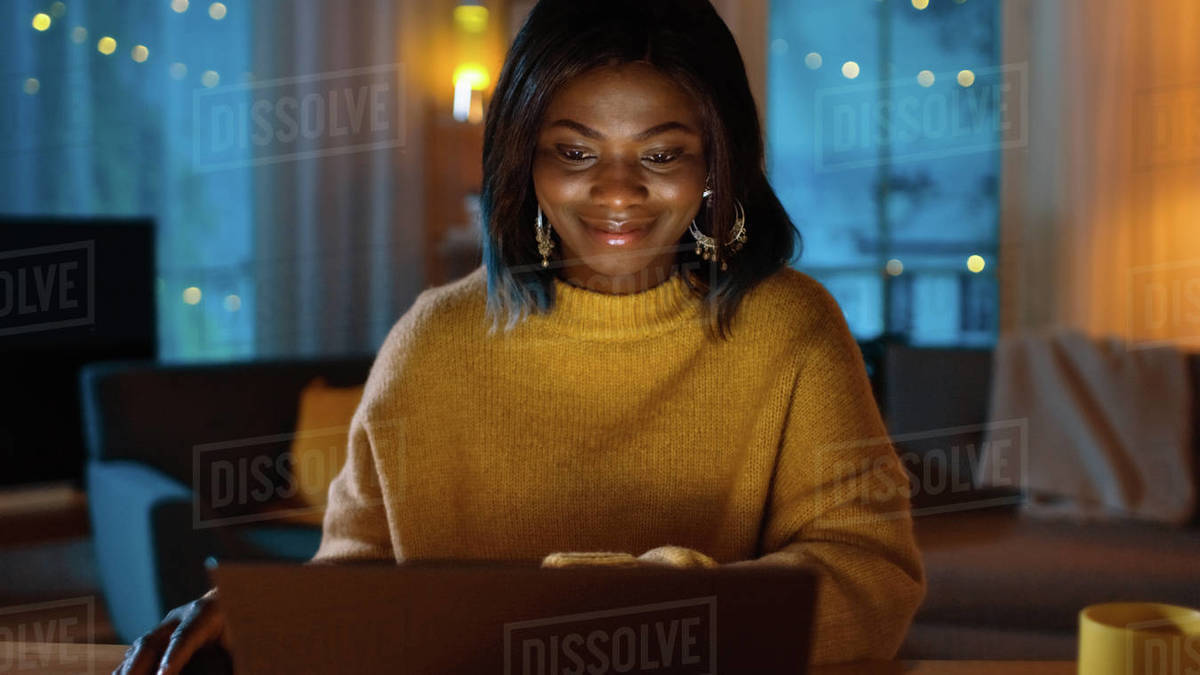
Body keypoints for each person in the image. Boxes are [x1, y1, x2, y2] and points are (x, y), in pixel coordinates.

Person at [114, 0, 925, 672]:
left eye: (662, 153)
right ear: (524, 161)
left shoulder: (793, 327)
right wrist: (263, 622)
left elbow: (873, 575)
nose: (617, 191)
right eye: (573, 151)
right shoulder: (433, 340)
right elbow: (355, 581)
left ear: (717, 162)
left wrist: (639, 612)